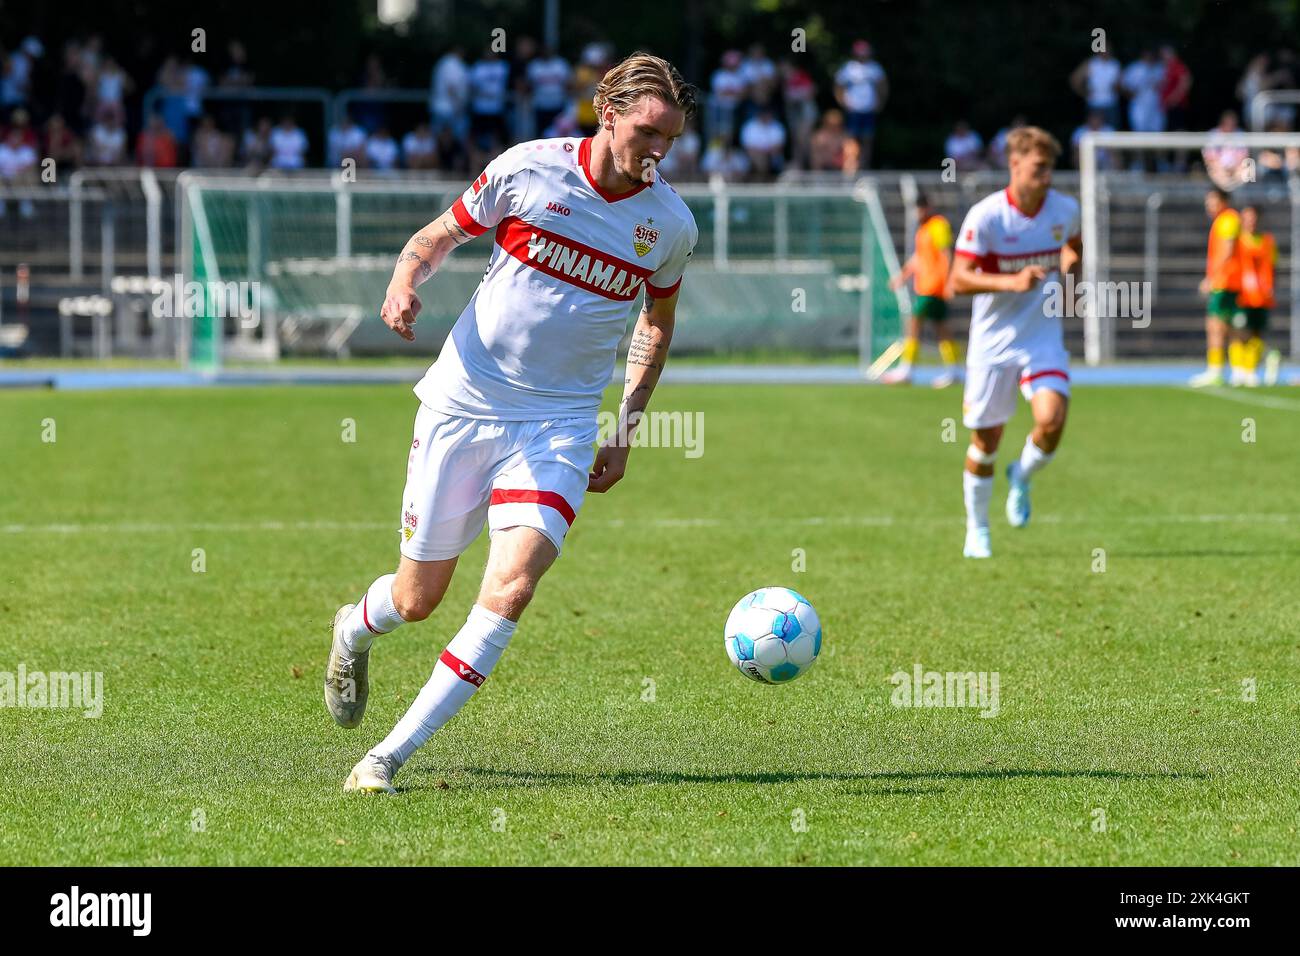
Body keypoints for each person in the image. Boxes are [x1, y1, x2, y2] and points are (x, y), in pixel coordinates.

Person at [325, 54, 700, 795]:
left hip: (559, 425)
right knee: (416, 600)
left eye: (672, 138)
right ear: (609, 110)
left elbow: (655, 327)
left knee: (511, 590)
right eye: (649, 131)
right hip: (464, 405)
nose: (659, 150)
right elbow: (434, 238)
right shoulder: (529, 170)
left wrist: (623, 430)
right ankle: (352, 627)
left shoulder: (669, 223)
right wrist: (403, 282)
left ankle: (384, 760)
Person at [950, 127, 1081, 559]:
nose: (1046, 177)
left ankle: (1021, 476)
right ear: (1015, 165)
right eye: (1039, 168)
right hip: (993, 343)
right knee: (985, 442)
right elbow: (957, 280)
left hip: (1041, 337)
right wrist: (1011, 281)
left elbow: (1073, 248)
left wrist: (1072, 261)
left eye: (1050, 169)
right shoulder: (986, 217)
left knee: (1052, 420)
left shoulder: (1066, 209)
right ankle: (977, 528)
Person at [885, 194, 958, 387]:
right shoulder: (923, 230)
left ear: (928, 207)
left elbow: (946, 254)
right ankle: (953, 370)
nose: (918, 213)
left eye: (921, 208)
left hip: (933, 287)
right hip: (926, 286)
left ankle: (907, 369)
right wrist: (902, 277)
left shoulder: (937, 225)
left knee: (914, 322)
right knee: (941, 328)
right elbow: (918, 258)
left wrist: (949, 282)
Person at [1190, 188, 1240, 388]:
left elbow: (1227, 251)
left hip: (1225, 281)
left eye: (1211, 200)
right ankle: (1237, 370)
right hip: (1227, 281)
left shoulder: (1227, 219)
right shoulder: (1223, 220)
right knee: (1227, 326)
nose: (1208, 205)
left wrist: (1210, 278)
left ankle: (1216, 370)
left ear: (1223, 200)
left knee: (1216, 326)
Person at [1231, 205, 1277, 387]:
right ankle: (1237, 369)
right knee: (1239, 332)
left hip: (1261, 296)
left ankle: (1251, 370)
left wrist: (1272, 286)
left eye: (1253, 217)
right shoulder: (1237, 241)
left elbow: (1273, 266)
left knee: (1257, 332)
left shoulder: (1267, 241)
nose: (1251, 221)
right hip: (1241, 294)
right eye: (1247, 217)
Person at [834, 39, 887, 169]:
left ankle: (865, 167)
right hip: (854, 109)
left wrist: (880, 102)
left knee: (867, 139)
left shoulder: (875, 68)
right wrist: (843, 103)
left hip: (869, 109)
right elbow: (838, 87)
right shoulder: (848, 67)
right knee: (851, 139)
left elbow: (883, 86)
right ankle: (850, 166)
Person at [1069, 49, 1121, 129]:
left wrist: (1116, 88)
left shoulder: (1115, 64)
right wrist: (1084, 93)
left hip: (1111, 104)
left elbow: (1120, 85)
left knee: (1112, 134)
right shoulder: (1091, 63)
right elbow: (1075, 79)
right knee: (1093, 131)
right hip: (1094, 104)